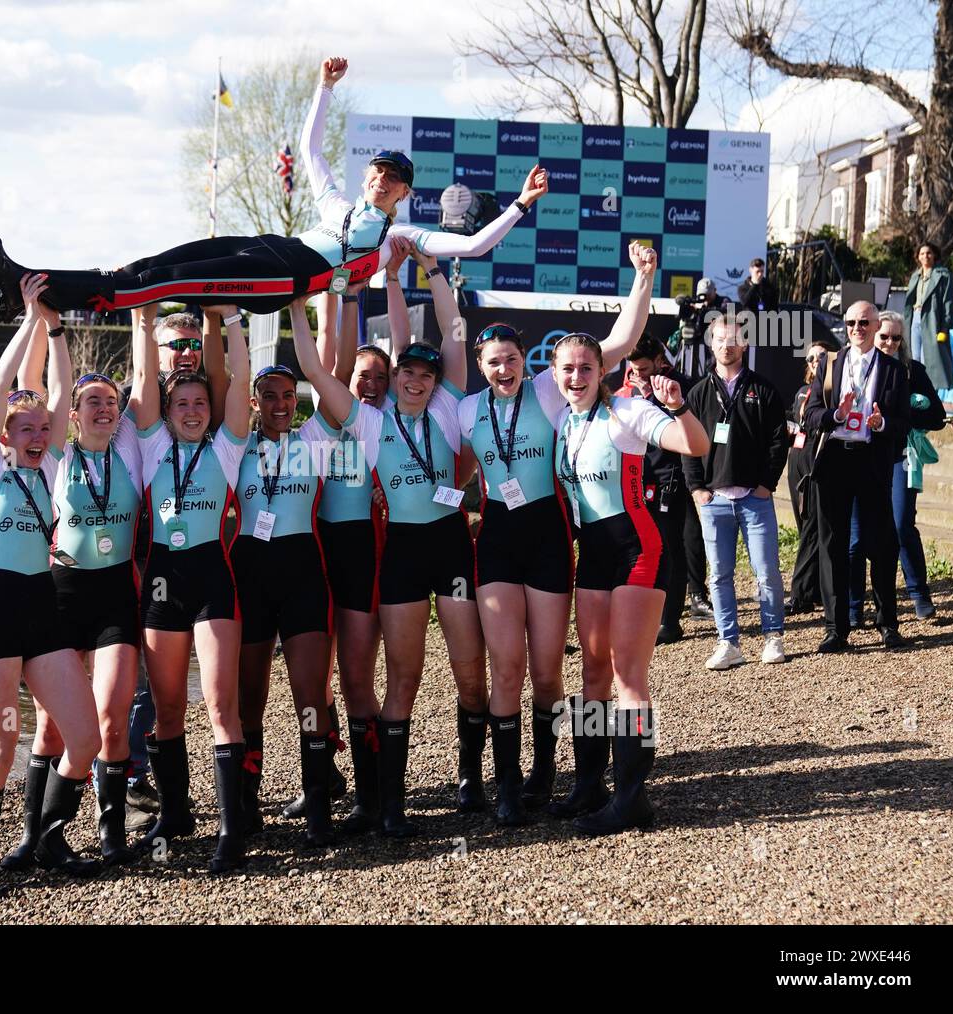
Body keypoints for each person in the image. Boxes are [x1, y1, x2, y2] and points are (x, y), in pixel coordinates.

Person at [0, 56, 550, 321]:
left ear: (402, 192)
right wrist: (325, 89)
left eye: (392, 177)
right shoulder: (335, 200)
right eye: (376, 171)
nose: (380, 179)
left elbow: (472, 248)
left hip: (286, 277)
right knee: (144, 266)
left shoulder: (397, 232)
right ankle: (17, 289)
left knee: (160, 285)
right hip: (269, 243)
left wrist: (522, 204)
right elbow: (313, 147)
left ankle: (27, 288)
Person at [459, 242, 657, 826]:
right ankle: (507, 787)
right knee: (507, 669)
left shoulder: (551, 389)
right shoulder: (468, 410)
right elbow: (452, 473)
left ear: (527, 361)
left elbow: (616, 344)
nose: (503, 368)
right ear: (481, 365)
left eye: (512, 359)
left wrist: (642, 278)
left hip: (552, 539)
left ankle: (555, 777)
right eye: (492, 361)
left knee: (550, 670)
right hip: (496, 541)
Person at [291, 262, 479, 837]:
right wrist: (302, 303)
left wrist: (426, 273)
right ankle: (390, 805)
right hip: (399, 550)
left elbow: (452, 334)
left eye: (425, 373)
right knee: (404, 677)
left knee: (471, 672)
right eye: (407, 373)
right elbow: (320, 375)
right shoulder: (370, 423)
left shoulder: (449, 404)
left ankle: (474, 782)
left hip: (449, 544)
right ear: (395, 379)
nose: (415, 380)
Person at [0, 273, 102, 901]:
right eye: (27, 430)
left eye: (45, 429)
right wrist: (26, 320)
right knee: (2, 745)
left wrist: (58, 327)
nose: (38, 437)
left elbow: (63, 391)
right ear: (5, 438)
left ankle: (47, 834)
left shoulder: (52, 466)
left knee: (88, 737)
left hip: (42, 612)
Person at [0, 326, 145, 869]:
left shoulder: (131, 447)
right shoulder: (56, 455)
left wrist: (142, 314)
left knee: (111, 718)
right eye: (91, 403)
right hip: (61, 594)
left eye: (111, 401)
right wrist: (49, 326)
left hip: (115, 598)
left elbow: (146, 382)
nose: (104, 409)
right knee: (53, 726)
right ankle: (35, 837)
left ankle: (110, 834)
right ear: (74, 416)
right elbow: (45, 388)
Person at [552, 333, 709, 834]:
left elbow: (696, 444)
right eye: (567, 369)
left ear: (603, 371)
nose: (576, 378)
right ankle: (589, 784)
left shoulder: (628, 413)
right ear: (555, 375)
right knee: (593, 674)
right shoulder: (562, 421)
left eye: (585, 368)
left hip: (638, 551)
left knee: (628, 676)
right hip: (593, 556)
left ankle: (632, 797)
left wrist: (678, 406)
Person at [131, 301, 253, 873]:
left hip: (212, 578)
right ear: (167, 408)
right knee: (169, 708)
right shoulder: (151, 442)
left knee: (220, 706)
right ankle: (176, 813)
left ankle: (231, 831)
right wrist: (142, 312)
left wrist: (229, 322)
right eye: (181, 403)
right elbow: (139, 382)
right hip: (162, 579)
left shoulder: (228, 445)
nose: (192, 410)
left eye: (201, 402)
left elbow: (239, 379)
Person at [232, 345, 342, 846]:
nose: (280, 404)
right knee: (248, 698)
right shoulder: (234, 448)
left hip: (304, 574)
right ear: (253, 402)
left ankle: (318, 804)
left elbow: (329, 370)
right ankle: (247, 803)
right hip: (249, 576)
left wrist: (330, 293)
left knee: (309, 695)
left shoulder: (314, 441)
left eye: (287, 396)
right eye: (269, 396)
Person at [681, 317, 790, 669]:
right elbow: (686, 443)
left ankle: (773, 636)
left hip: (754, 499)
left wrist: (765, 485)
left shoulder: (765, 389)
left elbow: (778, 441)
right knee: (719, 575)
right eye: (720, 339)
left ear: (745, 346)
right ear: (711, 345)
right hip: (714, 500)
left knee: (767, 571)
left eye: (734, 340)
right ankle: (728, 642)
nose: (727, 345)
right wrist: (697, 488)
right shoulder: (698, 393)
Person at [805, 301, 912, 653]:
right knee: (833, 544)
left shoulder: (894, 369)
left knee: (880, 543)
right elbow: (810, 414)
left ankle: (887, 623)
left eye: (864, 322)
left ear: (876, 323)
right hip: (836, 458)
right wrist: (836, 414)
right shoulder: (831, 363)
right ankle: (836, 628)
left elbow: (903, 422)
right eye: (850, 322)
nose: (856, 328)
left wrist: (882, 424)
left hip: (871, 460)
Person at [848, 310, 946, 621]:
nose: (890, 342)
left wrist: (902, 417)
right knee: (857, 534)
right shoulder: (856, 367)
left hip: (901, 457)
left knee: (902, 524)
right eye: (884, 336)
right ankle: (854, 607)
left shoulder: (911, 370)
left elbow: (937, 416)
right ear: (873, 333)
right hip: (861, 458)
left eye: (896, 337)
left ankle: (918, 592)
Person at [614, 335, 693, 644]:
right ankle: (642, 612)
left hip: (668, 478)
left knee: (670, 548)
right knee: (638, 548)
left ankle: (670, 620)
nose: (638, 376)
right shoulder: (623, 388)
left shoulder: (677, 386)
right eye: (633, 370)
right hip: (633, 477)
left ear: (661, 360)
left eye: (644, 369)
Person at [785, 337, 841, 616]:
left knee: (812, 527)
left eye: (819, 357)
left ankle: (801, 592)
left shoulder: (831, 391)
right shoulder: (801, 392)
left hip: (816, 457)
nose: (813, 362)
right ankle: (813, 586)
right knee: (803, 524)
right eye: (809, 358)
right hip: (796, 457)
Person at [902, 241, 953, 394]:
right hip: (914, 320)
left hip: (932, 321)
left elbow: (948, 302)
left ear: (935, 255)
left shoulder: (943, 275)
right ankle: (916, 396)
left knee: (932, 362)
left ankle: (931, 397)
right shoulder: (915, 276)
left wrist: (945, 327)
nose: (926, 256)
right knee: (914, 358)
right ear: (918, 257)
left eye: (929, 253)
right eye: (922, 253)